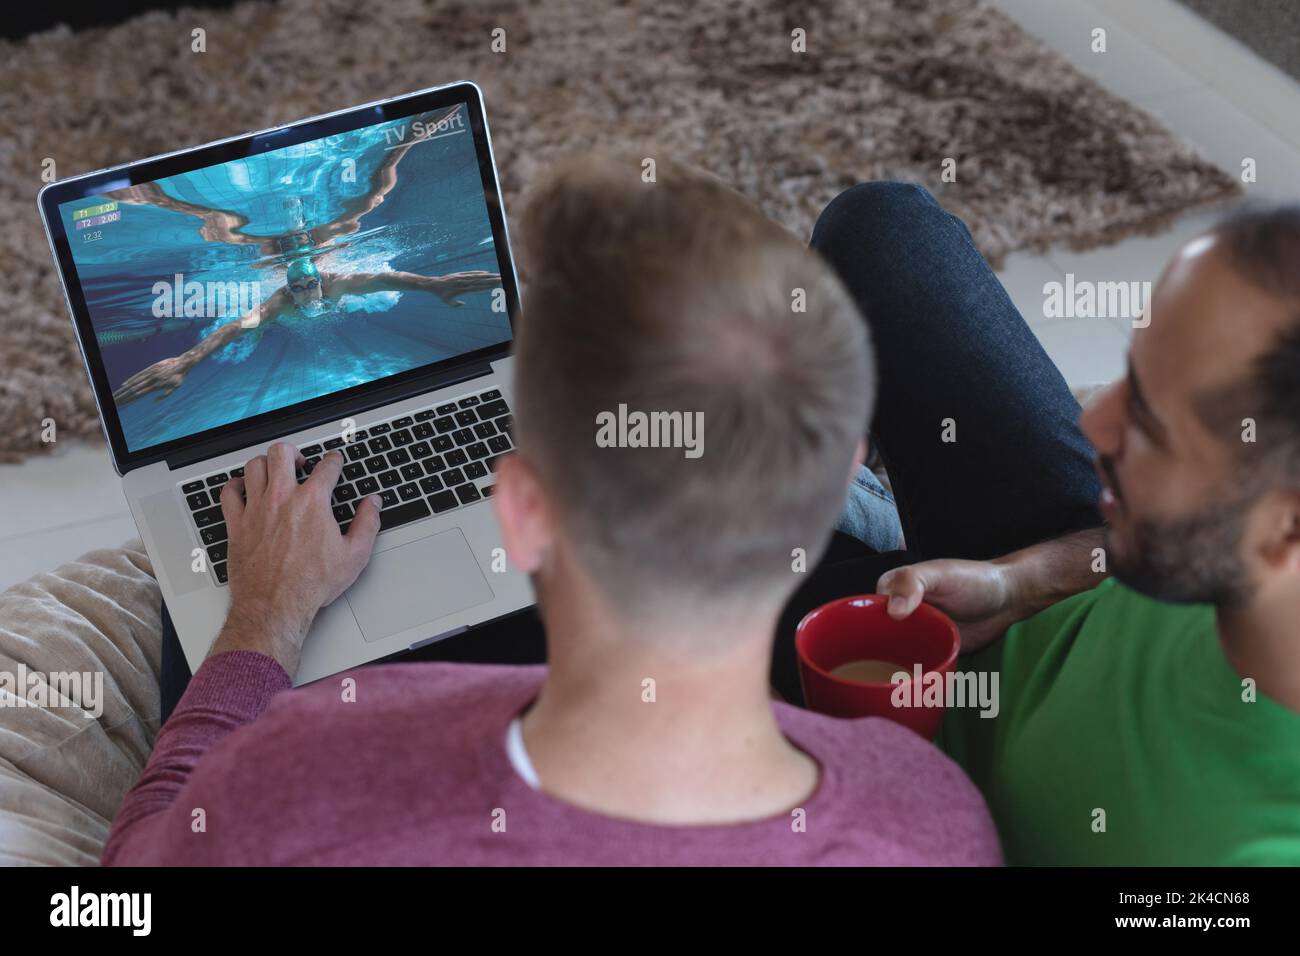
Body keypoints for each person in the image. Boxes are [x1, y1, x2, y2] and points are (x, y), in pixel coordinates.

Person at [102, 157, 1001, 866]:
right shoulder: (931, 815)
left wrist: (263, 621)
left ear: (522, 510)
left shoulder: (294, 777)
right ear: (841, 482)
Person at [802, 183, 1300, 865]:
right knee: (882, 227)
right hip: (1026, 592)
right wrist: (1020, 584)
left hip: (913, 802)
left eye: (1147, 421)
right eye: (1131, 372)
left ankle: (860, 519)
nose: (1093, 423)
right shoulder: (1215, 543)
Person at [111, 258, 501, 404]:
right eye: (295, 288)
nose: (303, 294)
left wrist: (434, 284)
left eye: (308, 285)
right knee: (256, 328)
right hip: (275, 323)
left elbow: (386, 278)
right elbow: (235, 326)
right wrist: (187, 359)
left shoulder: (340, 284)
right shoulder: (280, 304)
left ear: (320, 280)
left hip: (343, 297)